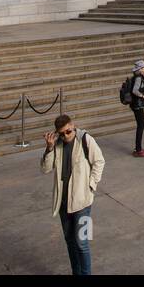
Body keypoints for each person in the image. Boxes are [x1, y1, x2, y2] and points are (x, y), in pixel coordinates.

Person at [41, 114, 105, 276]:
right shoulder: (58, 145)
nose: (66, 136)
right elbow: (46, 169)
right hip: (63, 203)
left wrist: (91, 185)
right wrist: (49, 148)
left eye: (68, 131)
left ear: (73, 126)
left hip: (83, 203)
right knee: (70, 242)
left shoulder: (86, 139)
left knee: (82, 243)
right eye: (61, 133)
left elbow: (99, 161)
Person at [128, 59, 144, 157]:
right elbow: (135, 91)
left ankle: (138, 148)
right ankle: (138, 149)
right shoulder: (138, 78)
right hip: (137, 105)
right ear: (140, 69)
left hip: (137, 104)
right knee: (141, 126)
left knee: (141, 125)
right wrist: (142, 96)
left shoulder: (140, 77)